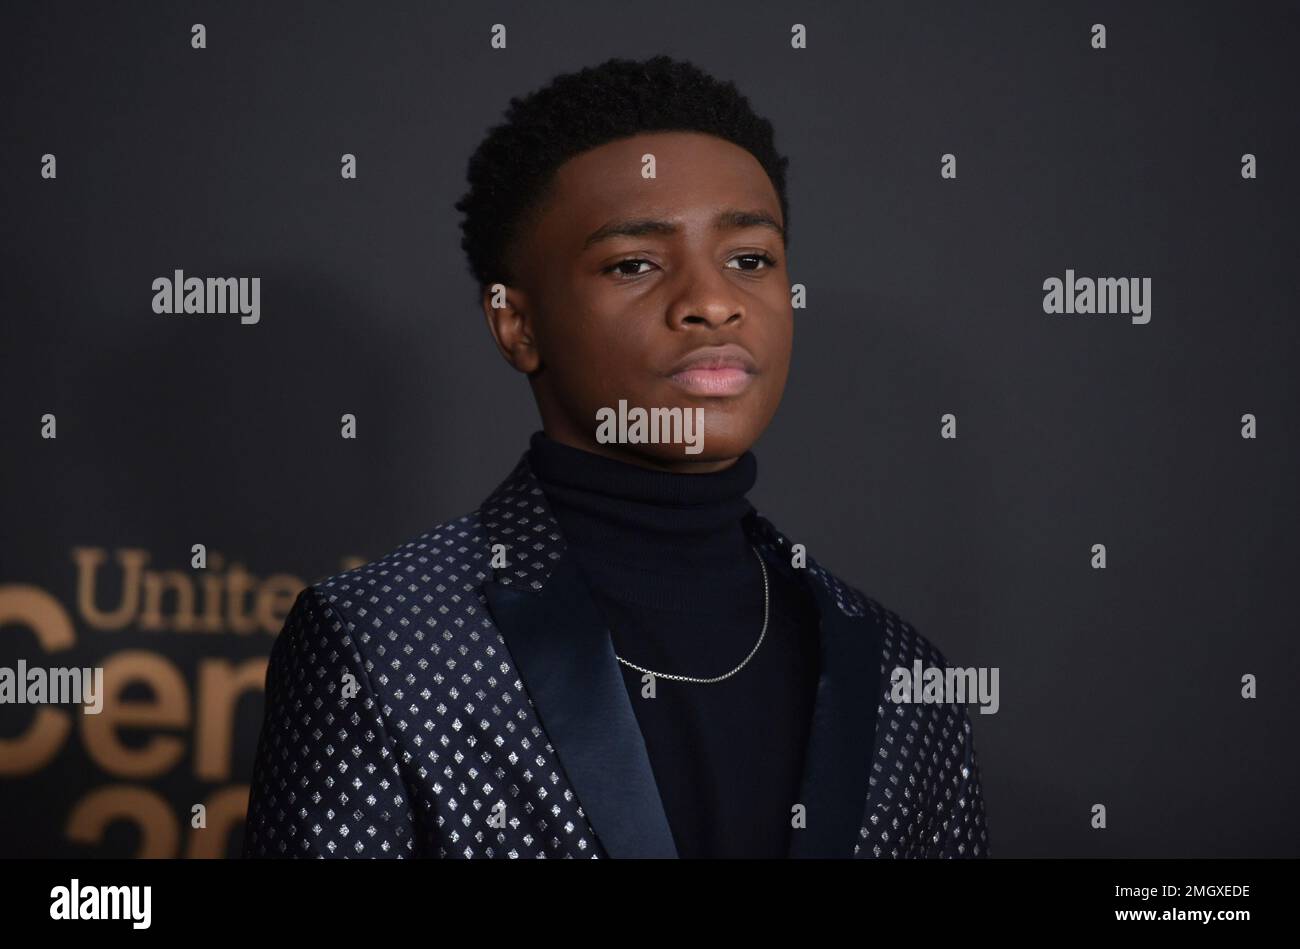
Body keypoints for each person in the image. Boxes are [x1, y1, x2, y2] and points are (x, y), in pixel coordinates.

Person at [243, 55, 989, 859]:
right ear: (516, 325)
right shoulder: (383, 641)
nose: (712, 300)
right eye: (634, 264)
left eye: (750, 259)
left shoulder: (901, 673)